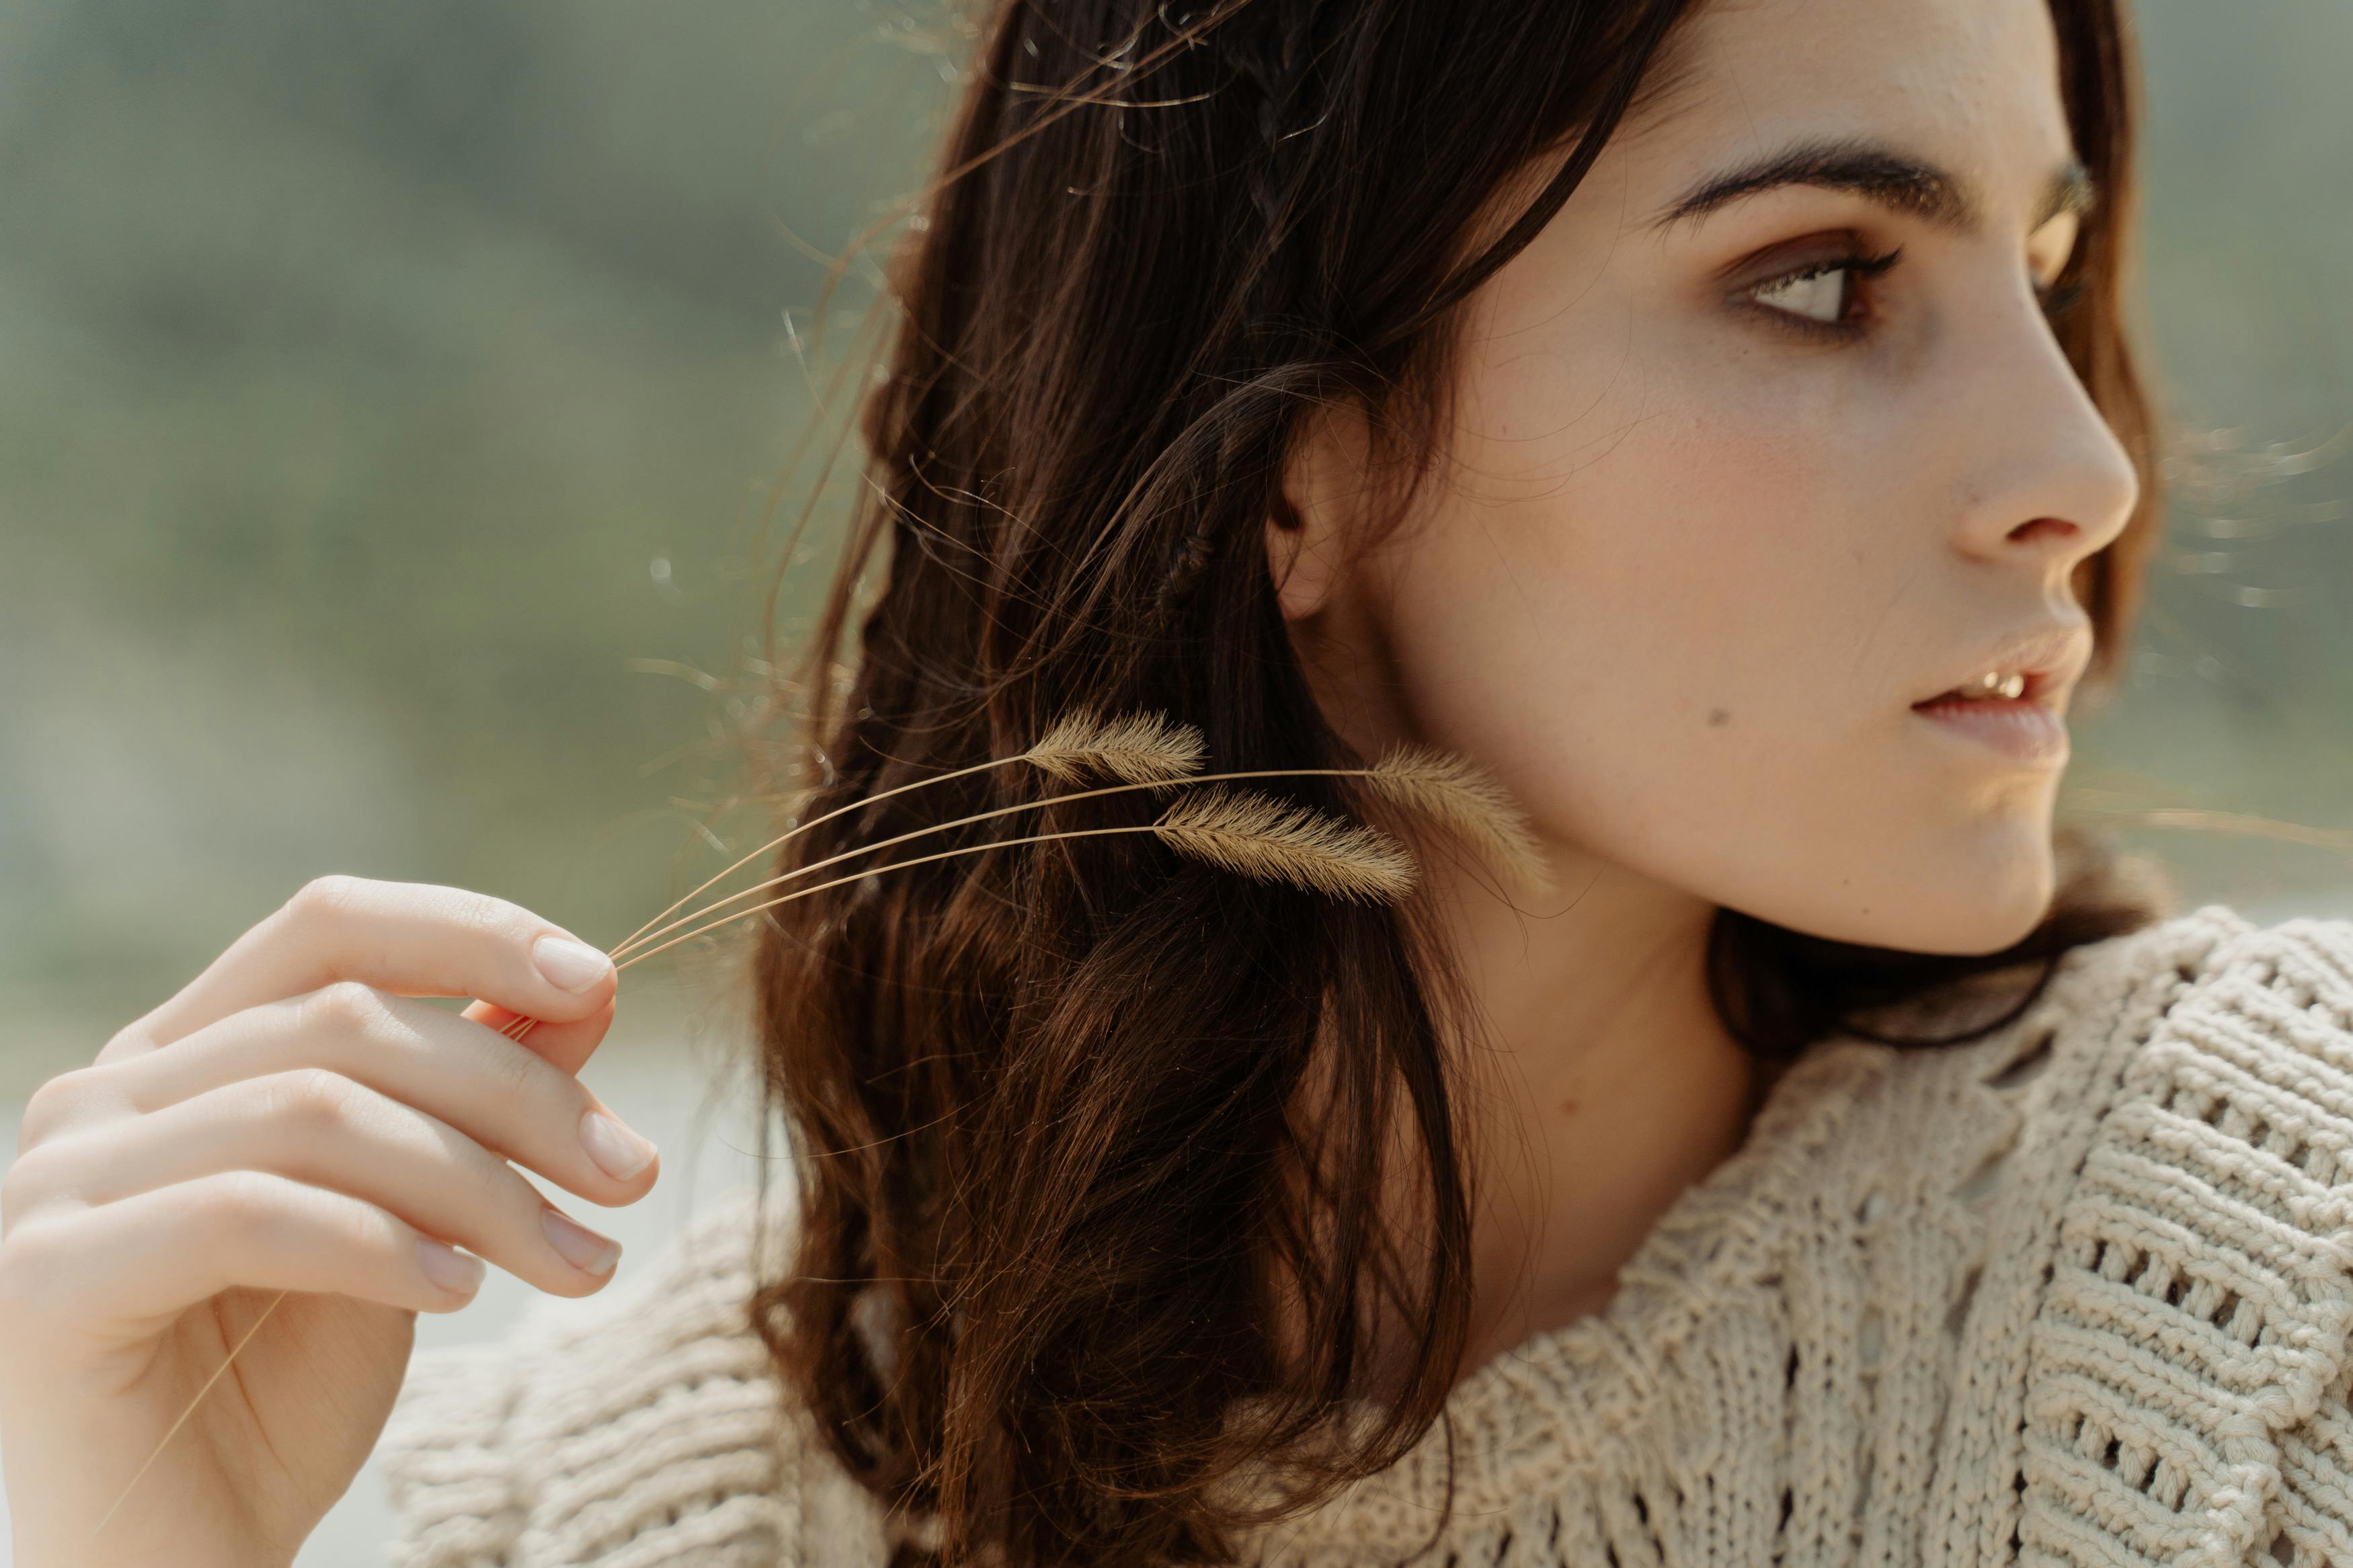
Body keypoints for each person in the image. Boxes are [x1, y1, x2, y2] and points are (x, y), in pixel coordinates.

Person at [5, 0, 2352, 1563]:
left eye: (2046, 266)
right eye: (1826, 276)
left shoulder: (2274, 1303)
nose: (2076, 466)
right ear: (1284, 464)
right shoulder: (601, 1524)